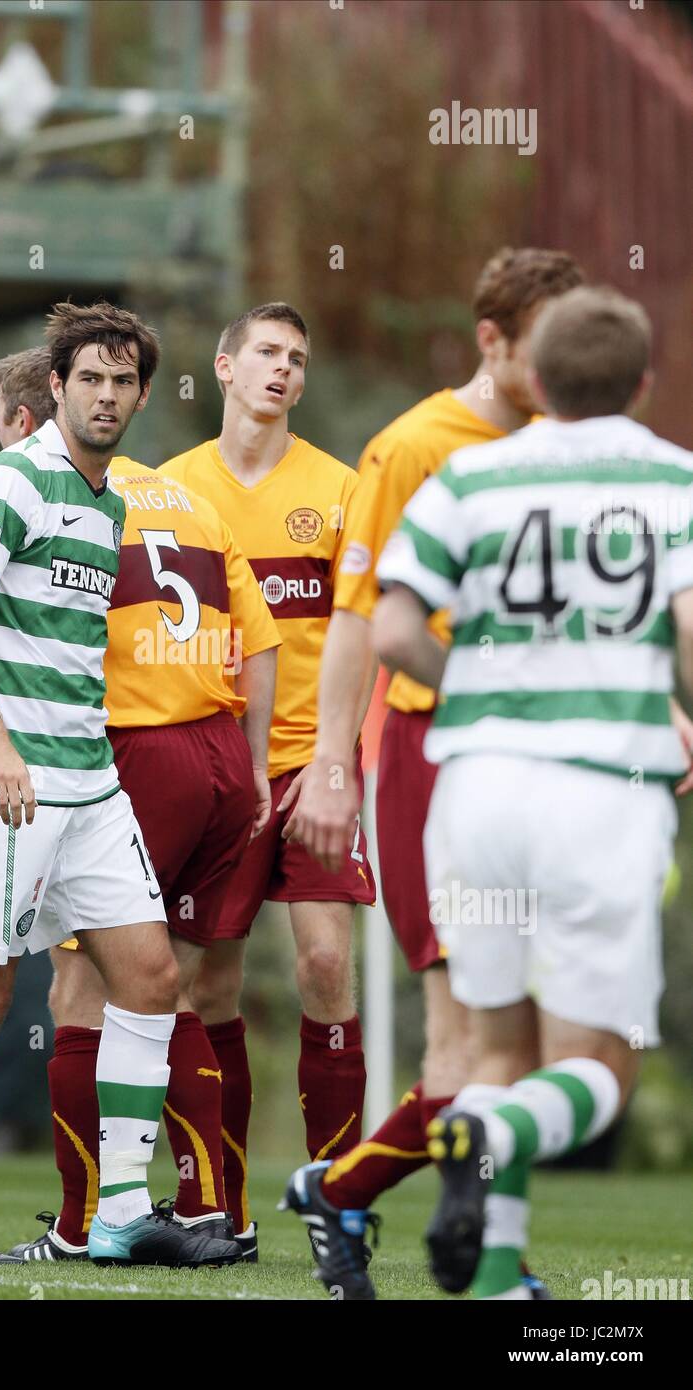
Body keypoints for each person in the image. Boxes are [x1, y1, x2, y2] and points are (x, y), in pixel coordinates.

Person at [0, 304, 241, 1268]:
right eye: (90, 378)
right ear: (57, 386)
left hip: (92, 790)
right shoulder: (15, 478)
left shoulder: (113, 497)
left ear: (141, 395)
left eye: (123, 382)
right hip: (8, 788)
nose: (106, 395)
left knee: (154, 978)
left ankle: (121, 1212)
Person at [372, 285, 693, 1298]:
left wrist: (479, 686)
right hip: (600, 791)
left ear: (536, 382)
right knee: (599, 1067)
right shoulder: (672, 482)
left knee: (495, 1042)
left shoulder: (469, 475)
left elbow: (388, 631)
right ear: (643, 383)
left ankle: (497, 1277)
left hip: (471, 792)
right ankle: (487, 1131)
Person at [281, 248, 583, 1297]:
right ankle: (491, 1271)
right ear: (490, 338)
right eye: (540, 344)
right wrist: (330, 763)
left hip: (528, 766)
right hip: (427, 759)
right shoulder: (409, 448)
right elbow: (356, 618)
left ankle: (343, 1189)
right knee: (470, 1042)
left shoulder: (561, 447)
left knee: (514, 1044)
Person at [0, 353, 279, 1260]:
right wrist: (260, 766)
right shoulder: (189, 499)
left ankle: (79, 1228)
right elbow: (260, 640)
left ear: (27, 420)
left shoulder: (68, 494)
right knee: (167, 990)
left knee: (80, 991)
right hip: (225, 756)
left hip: (135, 754)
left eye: (4, 432)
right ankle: (212, 1211)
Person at [157, 303, 378, 1250]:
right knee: (203, 991)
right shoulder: (168, 490)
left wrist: (337, 759)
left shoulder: (341, 487)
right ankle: (218, 1205)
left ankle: (340, 1212)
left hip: (314, 766)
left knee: (328, 966)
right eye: (267, 354)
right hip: (216, 769)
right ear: (224, 368)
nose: (284, 370)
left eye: (299, 357)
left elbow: (365, 633)